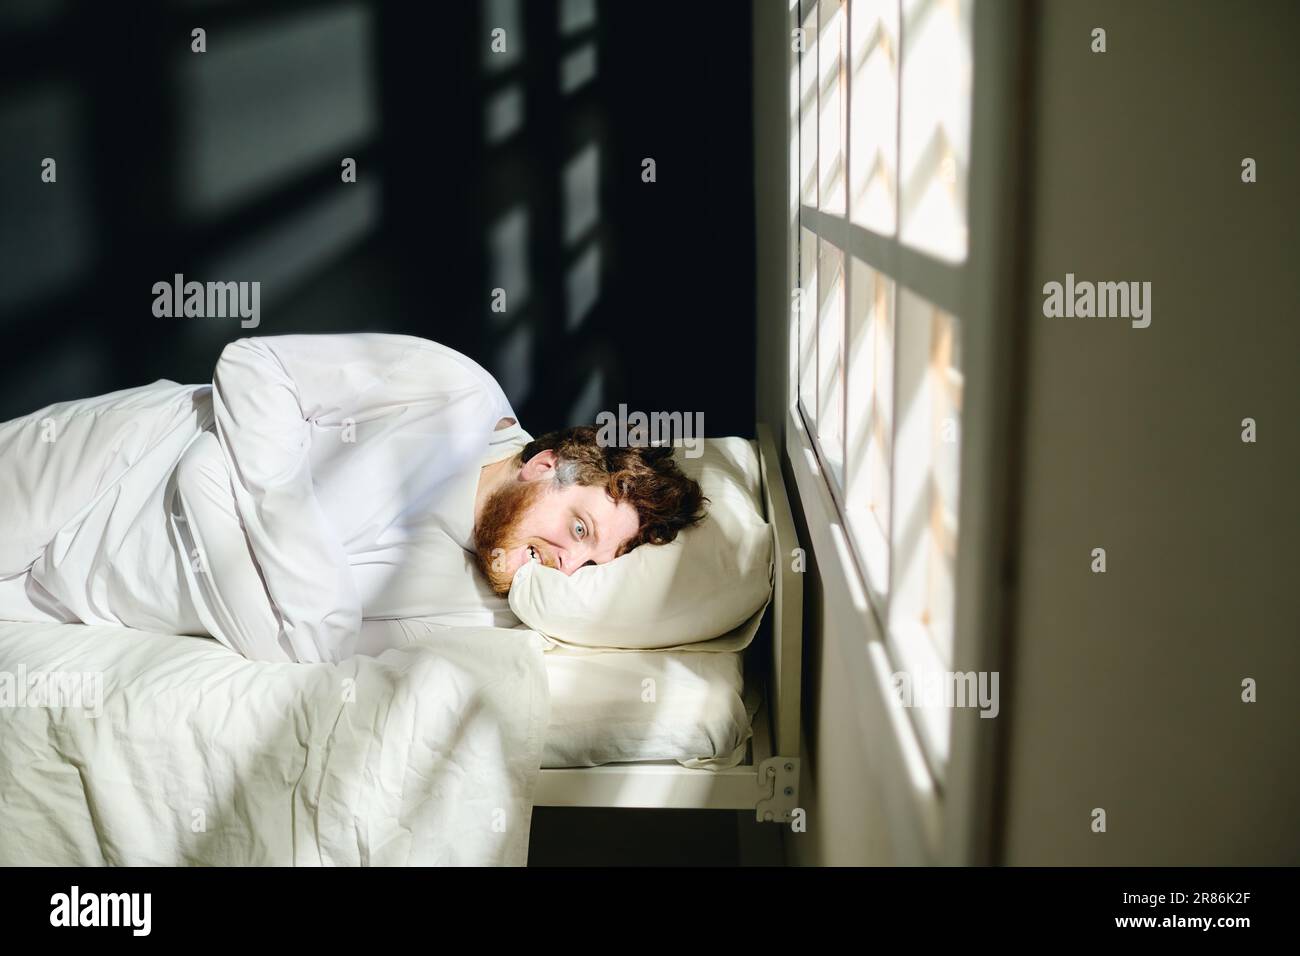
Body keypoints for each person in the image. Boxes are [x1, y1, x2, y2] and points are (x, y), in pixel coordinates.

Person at [0, 333, 705, 663]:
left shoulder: (485, 609)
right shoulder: (453, 391)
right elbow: (253, 365)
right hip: (101, 470)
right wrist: (311, 593)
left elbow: (311, 656)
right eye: (578, 528)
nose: (564, 567)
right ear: (542, 465)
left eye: (591, 563)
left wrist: (223, 488)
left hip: (84, 606)